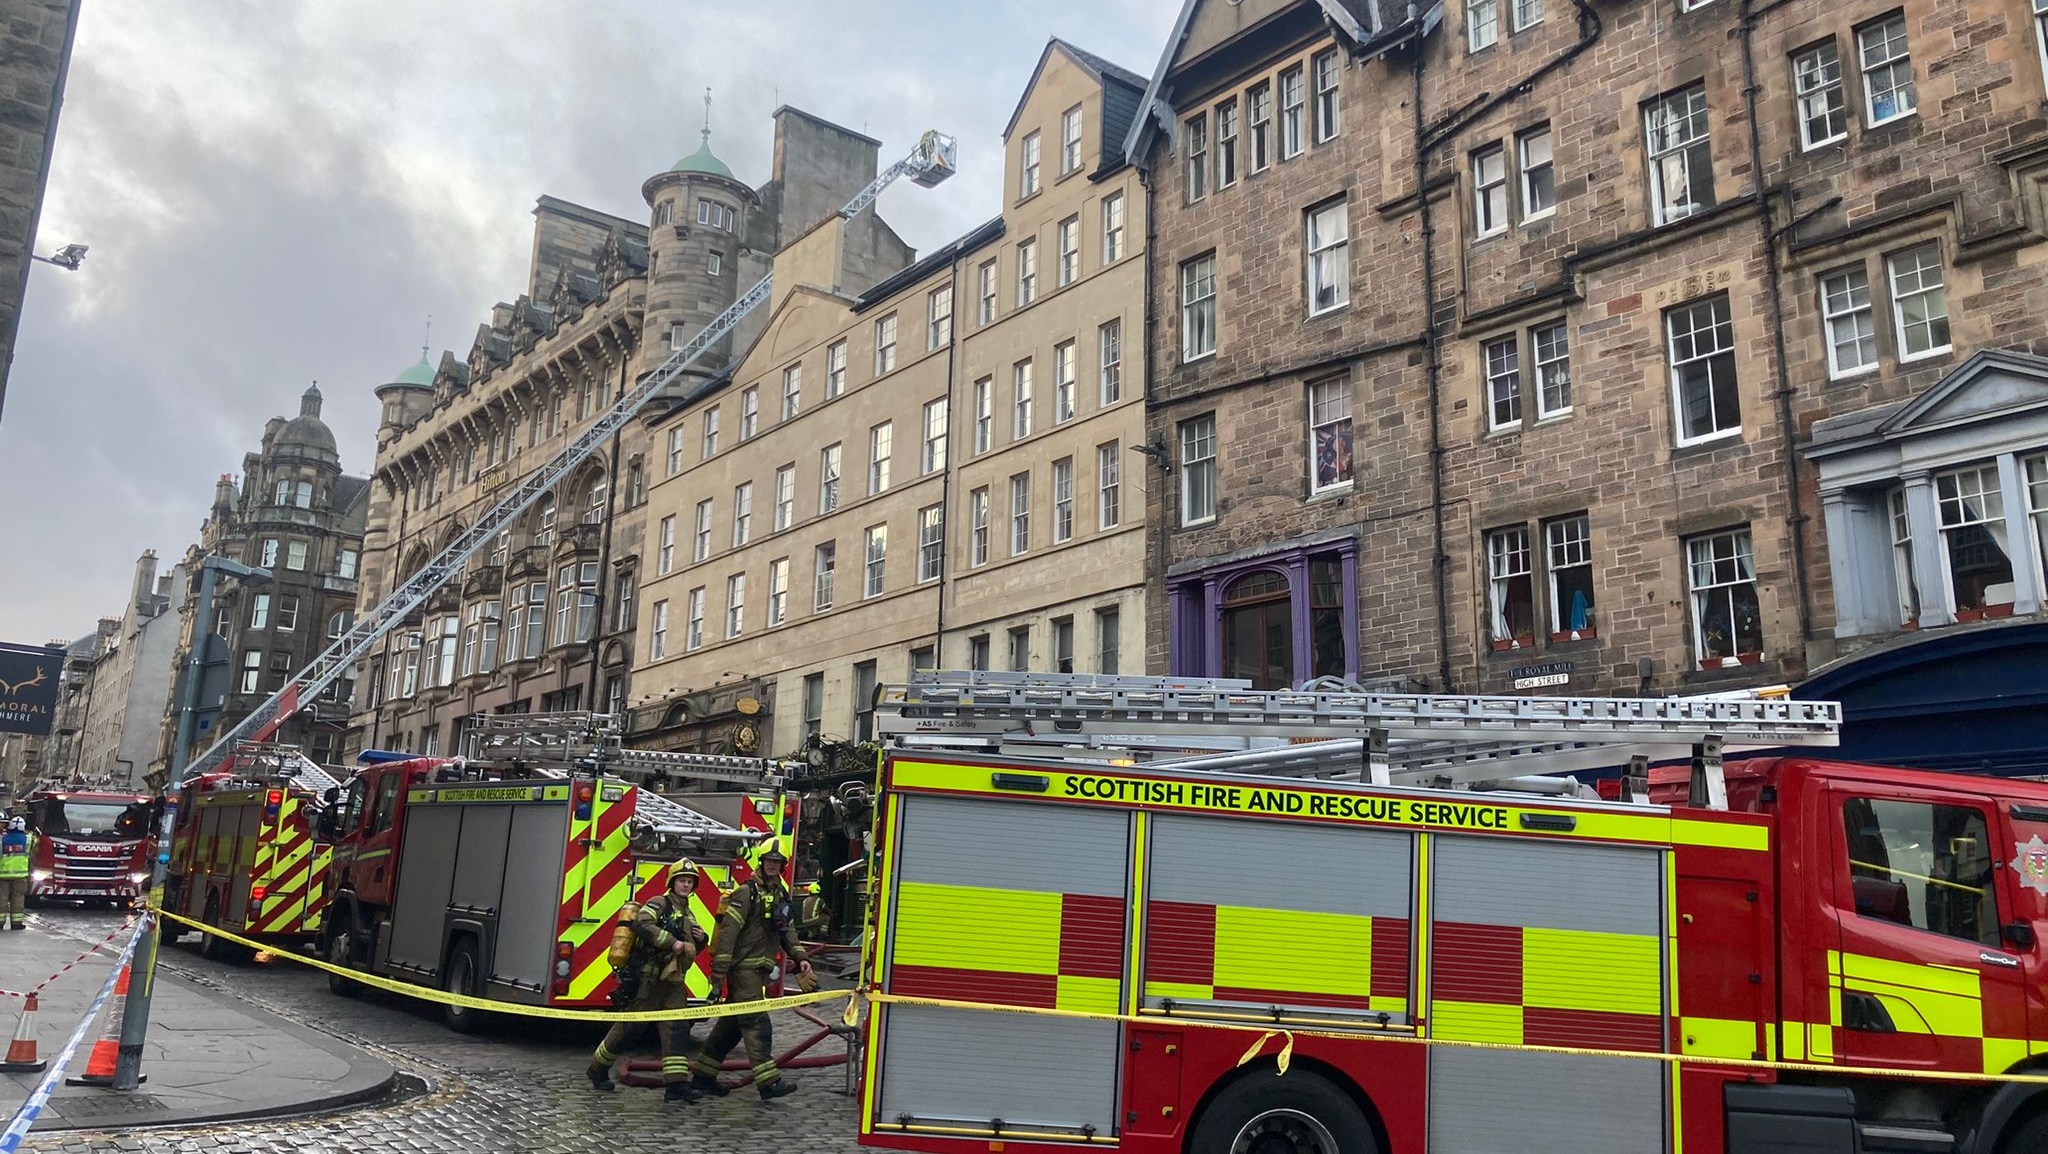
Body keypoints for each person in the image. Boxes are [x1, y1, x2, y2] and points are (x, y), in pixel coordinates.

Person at [690, 846, 811, 1100]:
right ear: (761, 861)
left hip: (758, 971)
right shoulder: (747, 892)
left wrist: (801, 958)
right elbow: (728, 933)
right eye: (769, 860)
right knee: (756, 1024)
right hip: (744, 968)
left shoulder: (780, 894)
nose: (773, 865)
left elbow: (786, 930)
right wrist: (719, 972)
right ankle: (768, 1083)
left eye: (778, 862)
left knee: (731, 1026)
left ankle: (703, 1077)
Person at [587, 858, 710, 1102]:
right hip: (649, 980)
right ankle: (597, 1069)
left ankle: (675, 1085)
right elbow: (641, 923)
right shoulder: (658, 903)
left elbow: (691, 947)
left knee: (676, 1028)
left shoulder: (688, 912)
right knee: (630, 1027)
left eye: (689, 881)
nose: (685, 885)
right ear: (672, 882)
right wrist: (670, 942)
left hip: (672, 982)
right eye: (681, 880)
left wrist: (701, 937)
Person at [0, 816, 30, 930]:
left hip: (2, 874)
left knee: (1, 898)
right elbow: (34, 851)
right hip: (20, 876)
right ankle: (16, 923)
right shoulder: (28, 839)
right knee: (18, 898)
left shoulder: (2, 838)